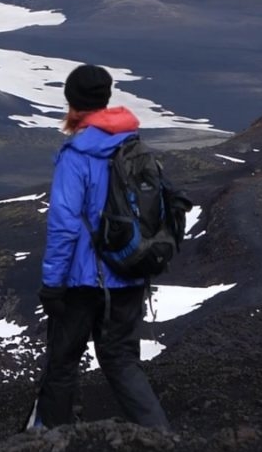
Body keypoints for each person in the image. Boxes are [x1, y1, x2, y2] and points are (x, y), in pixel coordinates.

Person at [30, 63, 171, 432]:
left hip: (81, 283)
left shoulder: (76, 156)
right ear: (106, 99)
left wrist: (52, 284)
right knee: (122, 359)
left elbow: (63, 225)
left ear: (72, 102)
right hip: (127, 272)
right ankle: (162, 438)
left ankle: (52, 442)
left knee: (62, 363)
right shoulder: (134, 145)